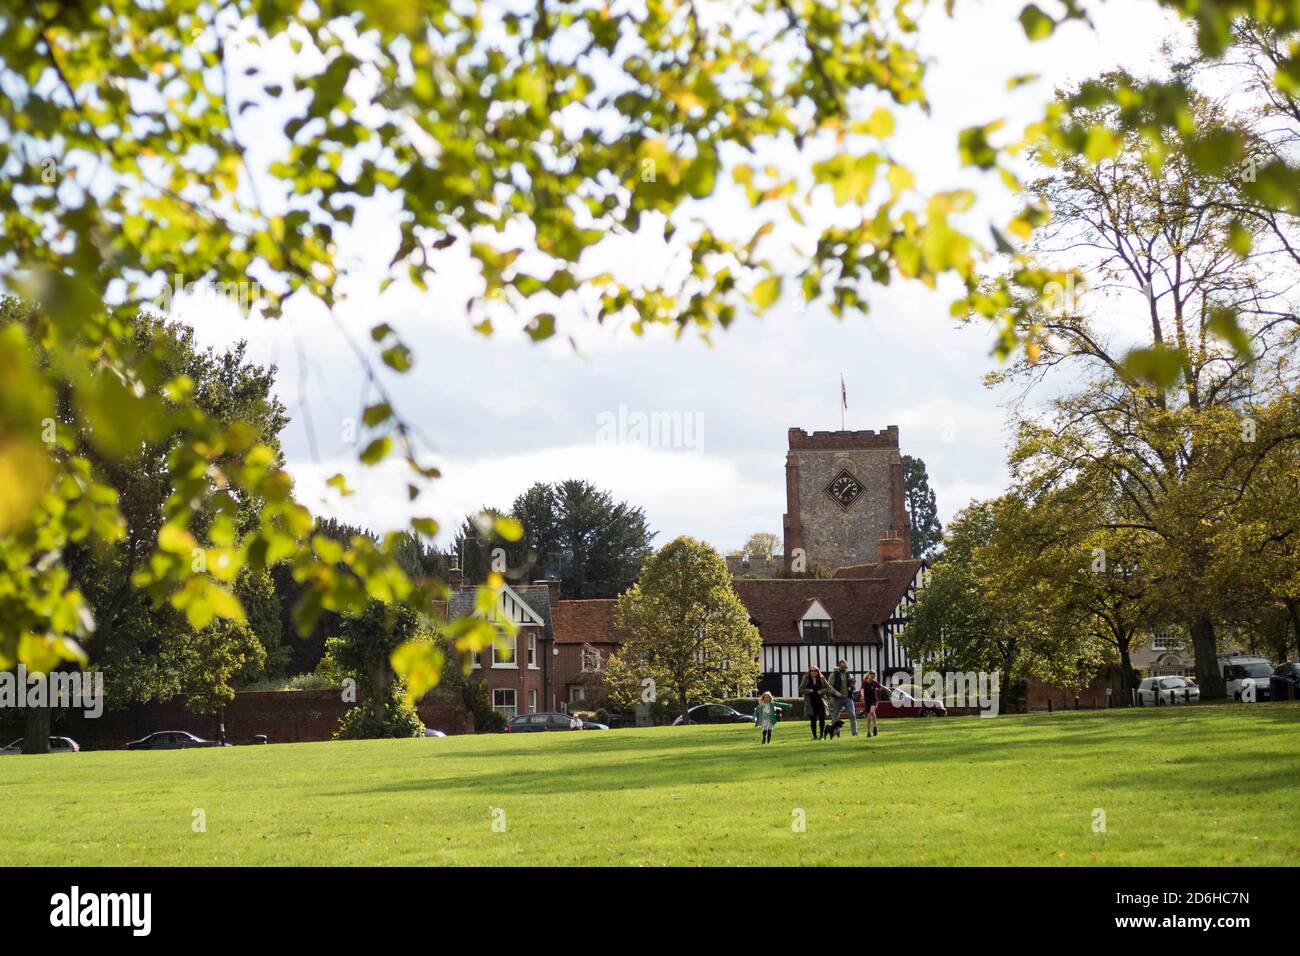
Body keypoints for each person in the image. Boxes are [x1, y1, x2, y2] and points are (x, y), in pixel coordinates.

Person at [826, 659, 858, 737]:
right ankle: (834, 733)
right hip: (837, 699)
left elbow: (852, 685)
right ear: (839, 666)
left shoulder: (848, 674)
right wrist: (836, 692)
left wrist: (852, 685)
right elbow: (829, 686)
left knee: (852, 715)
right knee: (835, 717)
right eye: (842, 667)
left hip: (848, 698)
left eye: (845, 667)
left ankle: (854, 733)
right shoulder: (833, 674)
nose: (844, 669)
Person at [799, 666, 830, 740]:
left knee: (822, 718)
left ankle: (821, 735)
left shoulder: (822, 678)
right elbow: (800, 689)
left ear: (817, 671)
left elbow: (828, 688)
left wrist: (821, 691)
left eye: (815, 671)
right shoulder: (806, 679)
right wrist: (808, 690)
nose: (813, 672)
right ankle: (814, 736)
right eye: (811, 671)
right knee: (813, 720)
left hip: (820, 701)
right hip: (810, 702)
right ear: (809, 672)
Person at [860, 670, 889, 737]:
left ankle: (875, 726)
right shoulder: (864, 683)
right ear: (868, 675)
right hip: (867, 701)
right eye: (870, 676)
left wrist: (888, 689)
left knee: (872, 711)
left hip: (874, 700)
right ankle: (868, 732)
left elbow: (881, 686)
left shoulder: (874, 683)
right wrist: (862, 696)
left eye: (873, 677)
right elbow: (862, 690)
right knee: (868, 717)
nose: (871, 678)